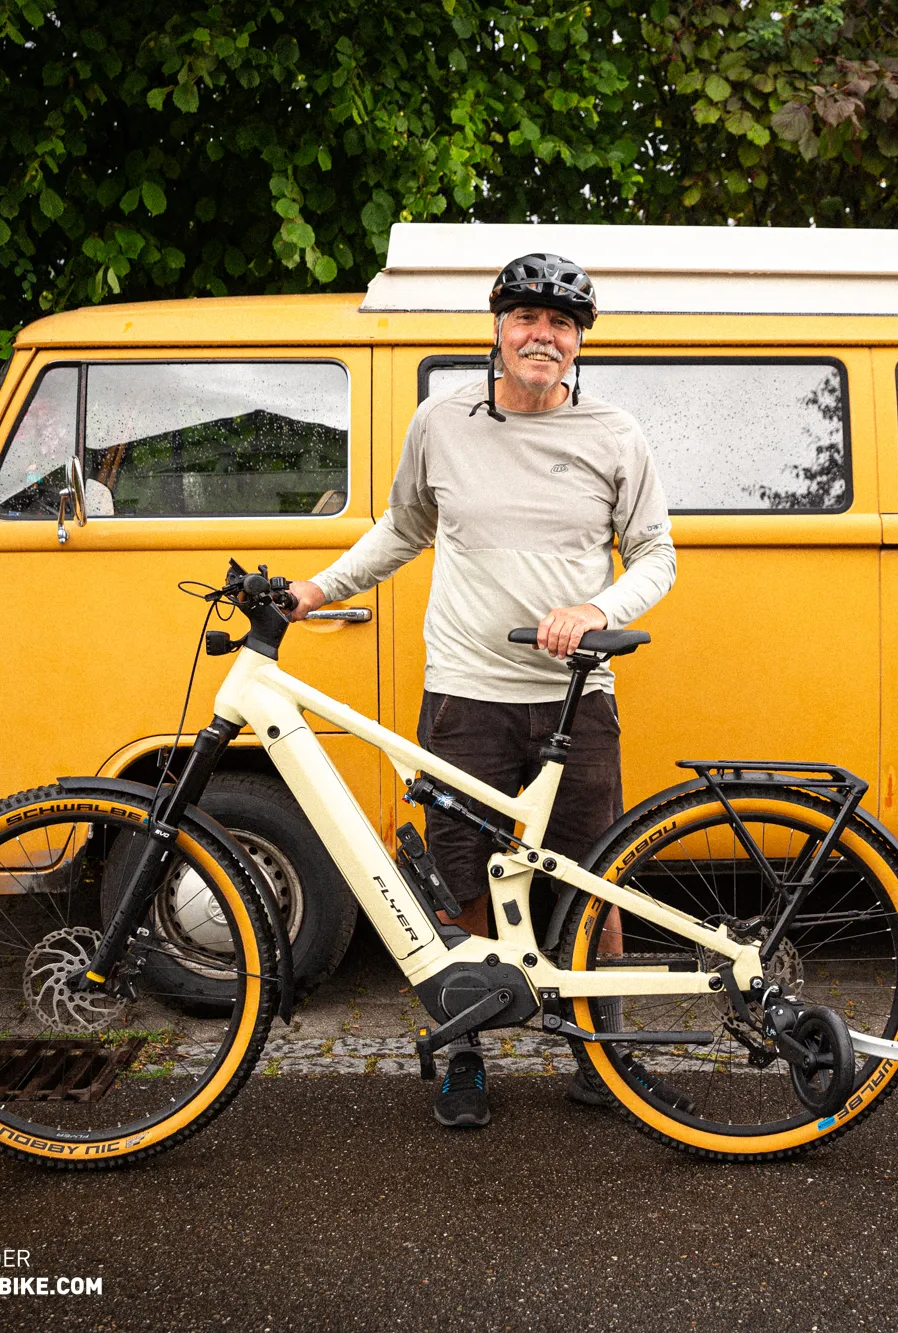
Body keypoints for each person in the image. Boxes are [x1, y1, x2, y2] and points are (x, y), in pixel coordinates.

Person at [285, 252, 677, 1129]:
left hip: (576, 694)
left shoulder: (615, 433)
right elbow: (403, 528)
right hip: (464, 689)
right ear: (498, 327)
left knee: (592, 879)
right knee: (462, 876)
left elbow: (657, 553)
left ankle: (601, 1054)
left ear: (579, 342)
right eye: (529, 318)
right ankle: (465, 1049)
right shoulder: (442, 420)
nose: (546, 335)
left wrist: (596, 605)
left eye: (564, 323)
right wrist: (318, 589)